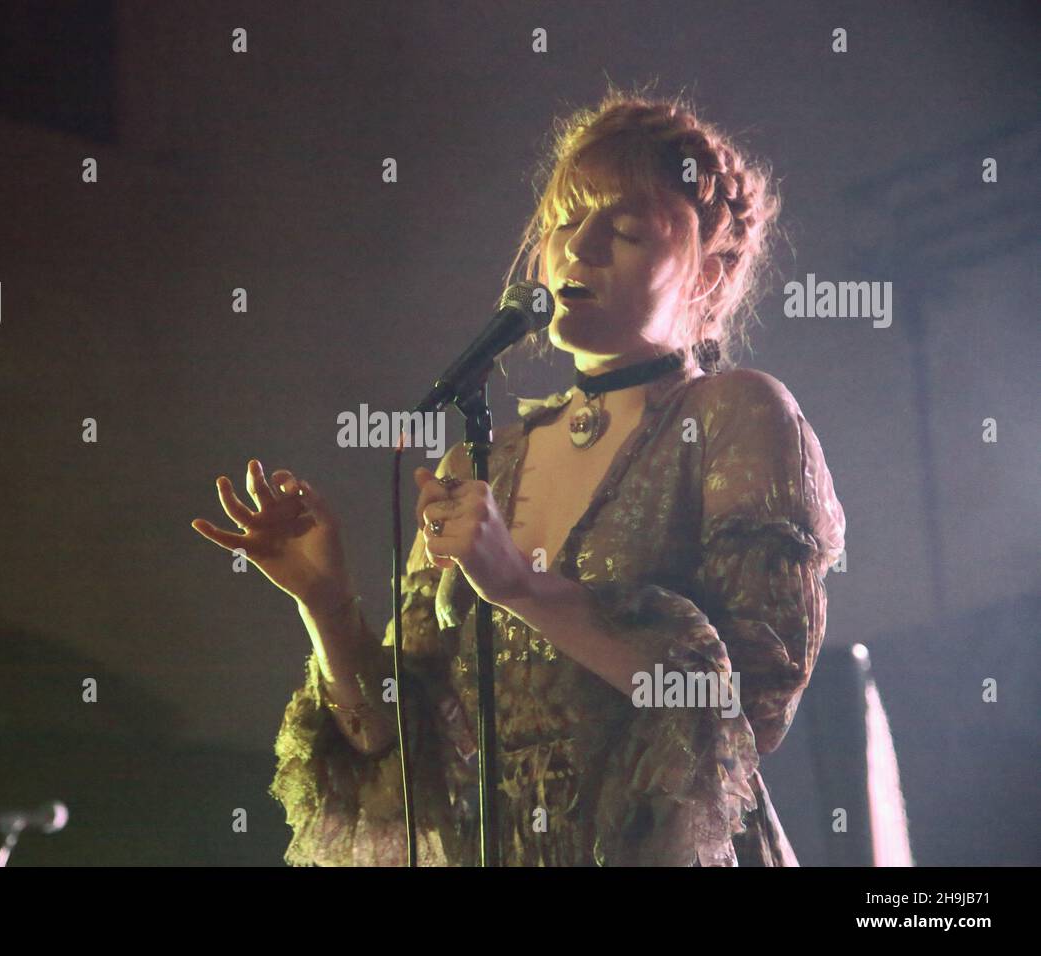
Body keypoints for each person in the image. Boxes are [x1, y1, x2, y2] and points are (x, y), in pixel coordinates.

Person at [191, 88, 846, 866]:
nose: (580, 248)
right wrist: (327, 604)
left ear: (705, 275)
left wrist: (523, 587)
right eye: (565, 222)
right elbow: (396, 751)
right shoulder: (483, 461)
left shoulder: (735, 413)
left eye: (626, 230)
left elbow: (749, 706)